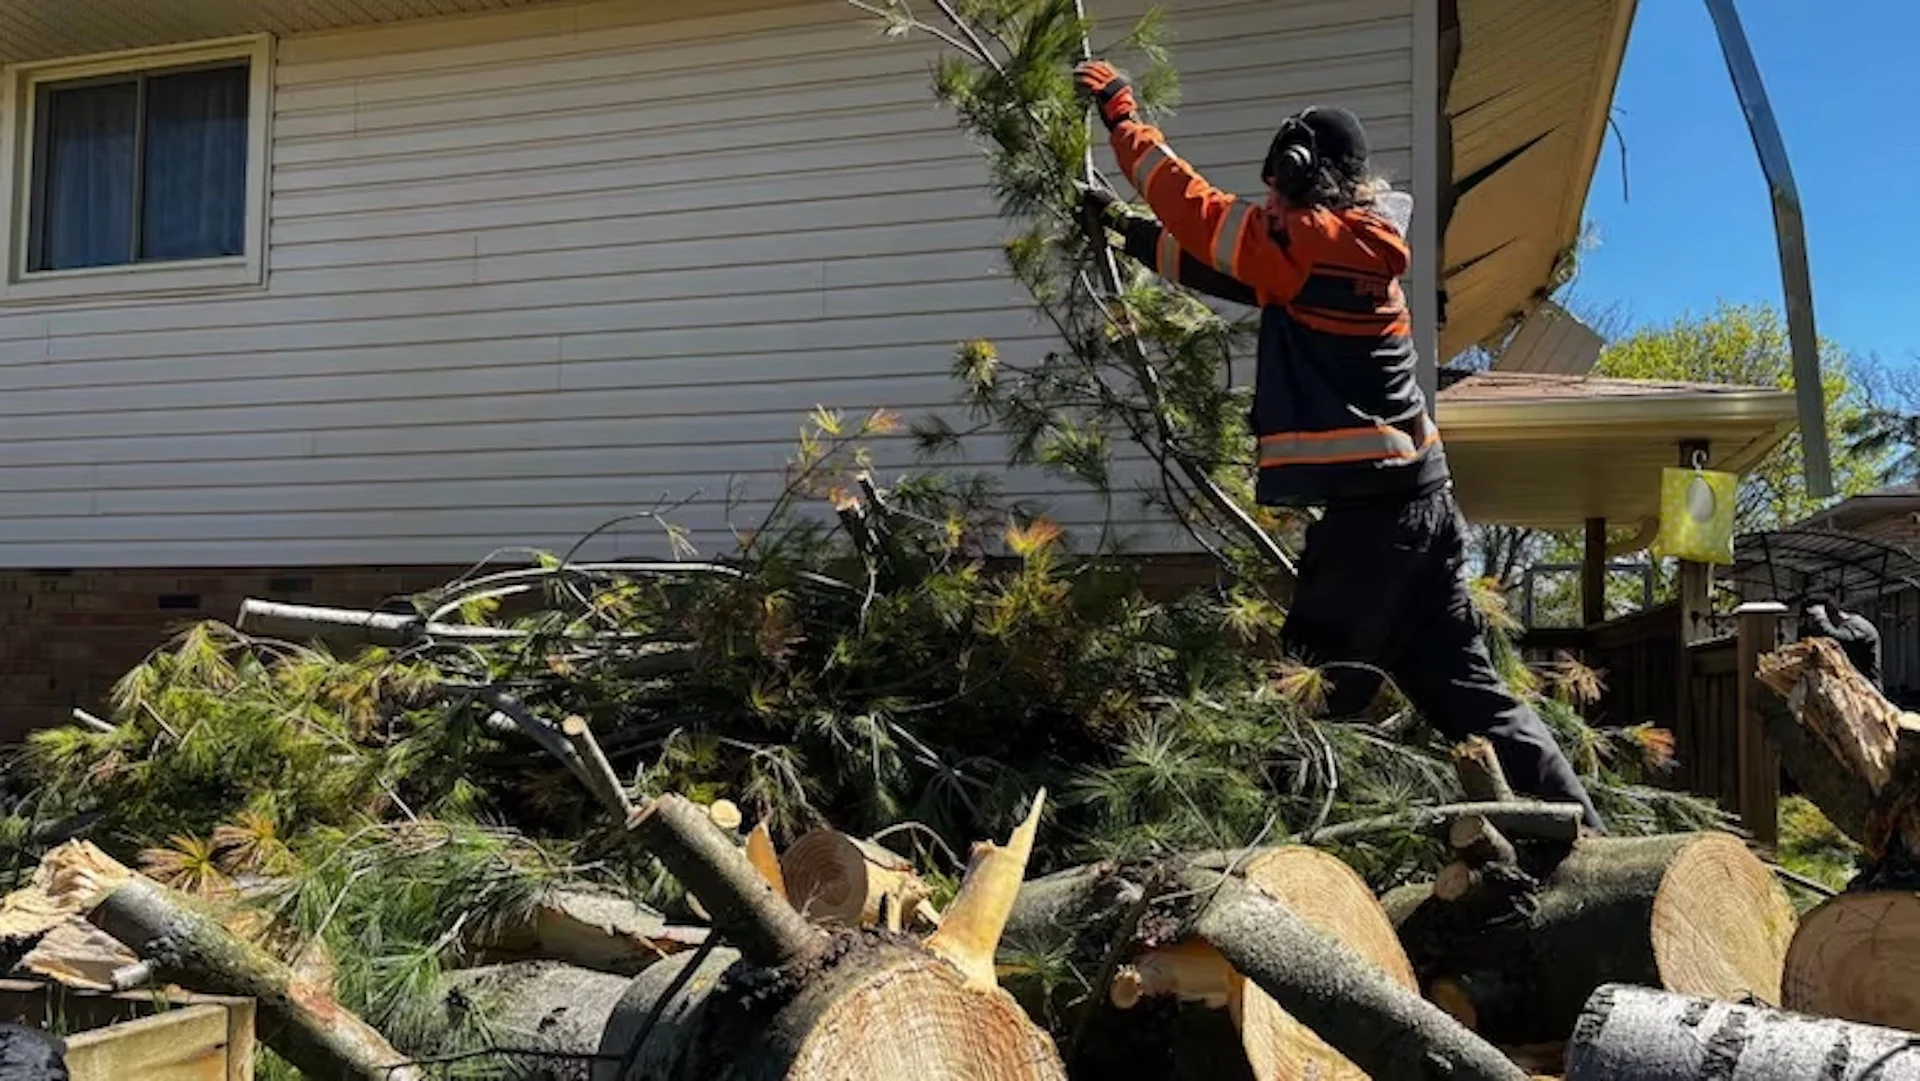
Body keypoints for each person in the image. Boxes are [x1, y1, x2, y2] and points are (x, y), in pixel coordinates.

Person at [1071, 60, 1606, 832]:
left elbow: (1204, 216)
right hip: (1420, 509)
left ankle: (1269, 852)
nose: (1266, 200)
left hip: (1373, 523)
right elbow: (1234, 272)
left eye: (1275, 184)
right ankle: (1585, 840)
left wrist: (1123, 117)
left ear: (1300, 174)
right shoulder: (1344, 246)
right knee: (1469, 691)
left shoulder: (1315, 241)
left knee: (1307, 691)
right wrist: (1129, 235)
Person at [1800, 595, 1883, 690]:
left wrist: (1821, 619)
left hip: (1867, 689)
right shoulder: (1840, 626)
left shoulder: (1858, 626)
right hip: (1849, 687)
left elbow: (1840, 639)